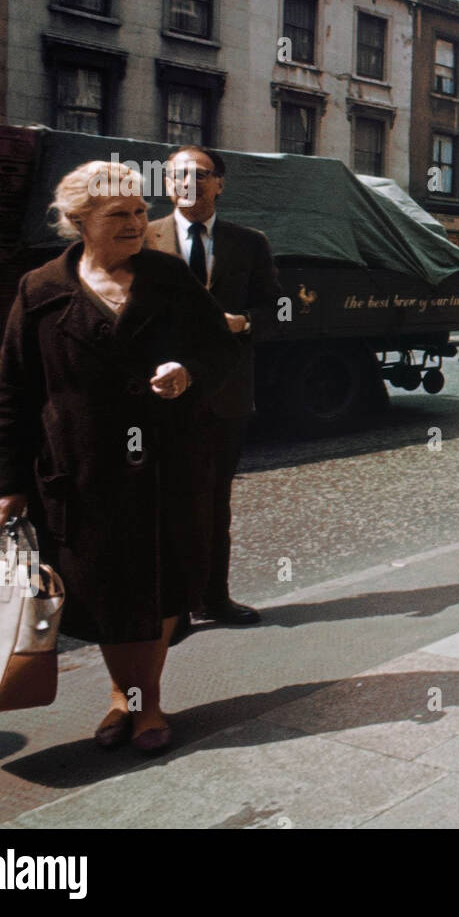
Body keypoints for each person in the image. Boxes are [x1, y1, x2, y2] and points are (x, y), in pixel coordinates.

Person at [0, 162, 239, 753]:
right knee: (101, 590)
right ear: (80, 222)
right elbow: (12, 393)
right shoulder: (40, 290)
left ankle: (145, 703)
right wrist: (8, 483)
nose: (136, 223)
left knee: (159, 584)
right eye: (118, 215)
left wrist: (189, 374)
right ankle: (118, 695)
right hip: (78, 474)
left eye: (137, 211)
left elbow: (220, 349)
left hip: (165, 465)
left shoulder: (169, 278)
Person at [146, 146, 282, 627]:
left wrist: (243, 322)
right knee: (163, 502)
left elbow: (277, 312)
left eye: (200, 175)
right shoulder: (143, 238)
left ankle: (213, 599)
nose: (188, 183)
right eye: (178, 175)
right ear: (166, 184)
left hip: (225, 395)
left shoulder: (249, 243)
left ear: (220, 183)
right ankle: (172, 608)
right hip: (161, 397)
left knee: (213, 502)